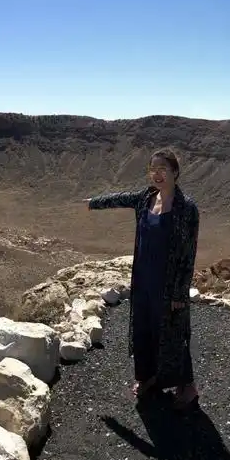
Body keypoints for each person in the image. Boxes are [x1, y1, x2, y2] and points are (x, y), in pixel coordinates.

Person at [83, 148, 200, 409]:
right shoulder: (145, 198)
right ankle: (147, 377)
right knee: (144, 330)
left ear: (175, 173)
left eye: (164, 169)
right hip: (143, 279)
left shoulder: (186, 208)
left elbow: (188, 254)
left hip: (168, 284)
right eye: (153, 169)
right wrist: (93, 202)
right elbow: (119, 198)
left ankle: (187, 386)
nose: (157, 174)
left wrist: (180, 293)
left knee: (173, 334)